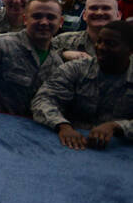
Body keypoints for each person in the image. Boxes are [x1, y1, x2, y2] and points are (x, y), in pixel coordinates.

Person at [31, 21, 133, 150]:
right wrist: (62, 125)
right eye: (99, 41)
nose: (101, 47)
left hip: (119, 150)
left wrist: (116, 126)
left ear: (130, 50)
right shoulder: (76, 68)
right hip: (69, 143)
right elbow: (43, 100)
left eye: (111, 44)